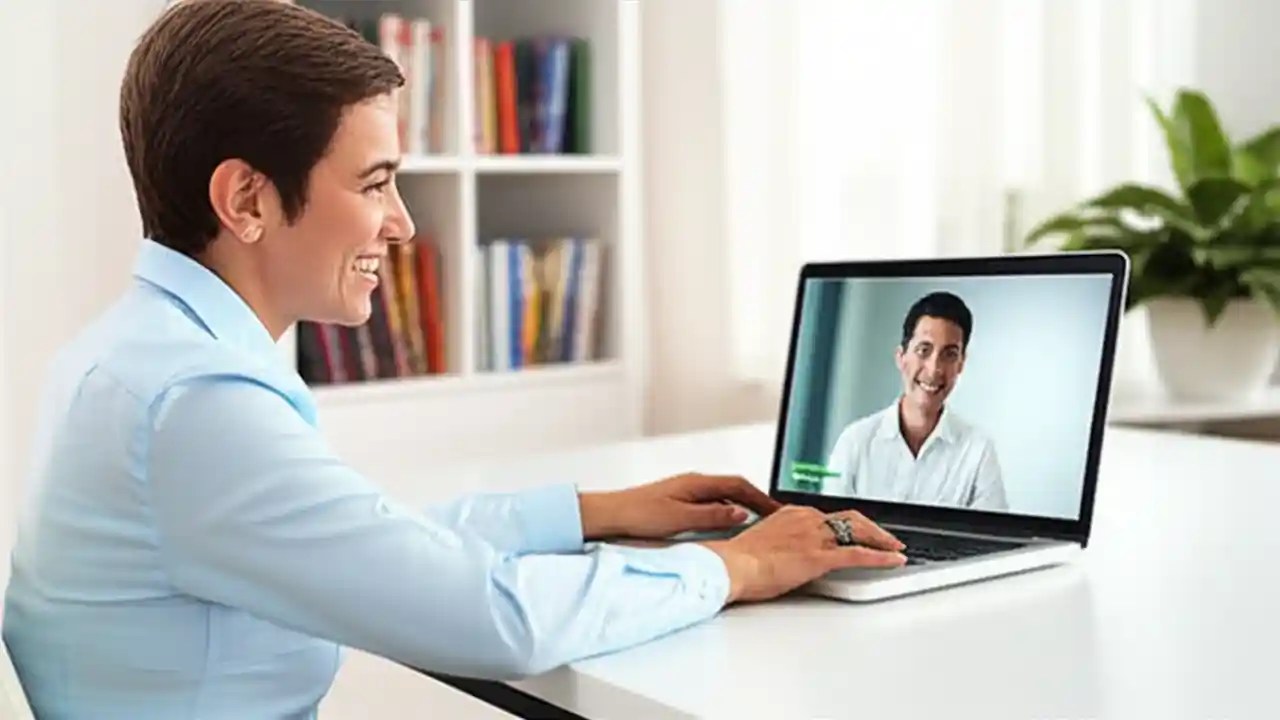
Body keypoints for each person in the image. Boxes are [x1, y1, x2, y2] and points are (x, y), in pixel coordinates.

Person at [0, 2, 907, 717]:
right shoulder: (194, 403)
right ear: (246, 199)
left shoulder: (135, 356)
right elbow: (494, 619)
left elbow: (371, 540)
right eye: (376, 182)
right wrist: (737, 567)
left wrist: (593, 513)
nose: (401, 224)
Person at [822, 291, 1008, 511]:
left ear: (961, 364)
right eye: (923, 350)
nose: (934, 369)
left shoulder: (979, 450)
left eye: (949, 354)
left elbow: (990, 538)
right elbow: (830, 528)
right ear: (901, 357)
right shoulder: (855, 441)